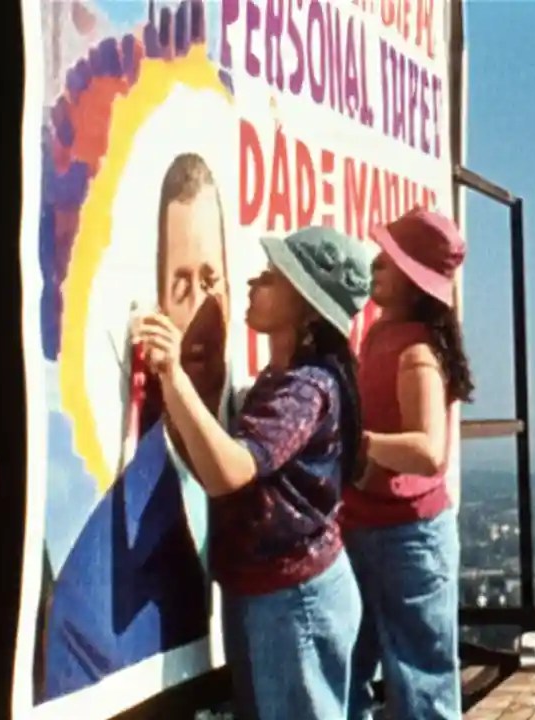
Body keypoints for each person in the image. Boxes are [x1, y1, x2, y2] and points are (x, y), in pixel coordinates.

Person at [135, 225, 373, 719]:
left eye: (271, 278)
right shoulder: (286, 379)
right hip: (279, 595)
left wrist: (173, 375)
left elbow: (229, 472)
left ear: (305, 306)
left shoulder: (304, 390)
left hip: (291, 605)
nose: (252, 285)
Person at [41, 152, 229, 700]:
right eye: (180, 286)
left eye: (211, 280)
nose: (201, 309)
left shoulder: (264, 430)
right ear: (149, 313)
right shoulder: (91, 591)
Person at [344, 207, 472, 720]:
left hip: (407, 539)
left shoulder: (415, 351)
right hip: (370, 526)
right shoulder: (382, 335)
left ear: (413, 281)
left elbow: (428, 451)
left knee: (422, 684)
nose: (377, 263)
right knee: (364, 664)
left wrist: (361, 441)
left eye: (389, 259)